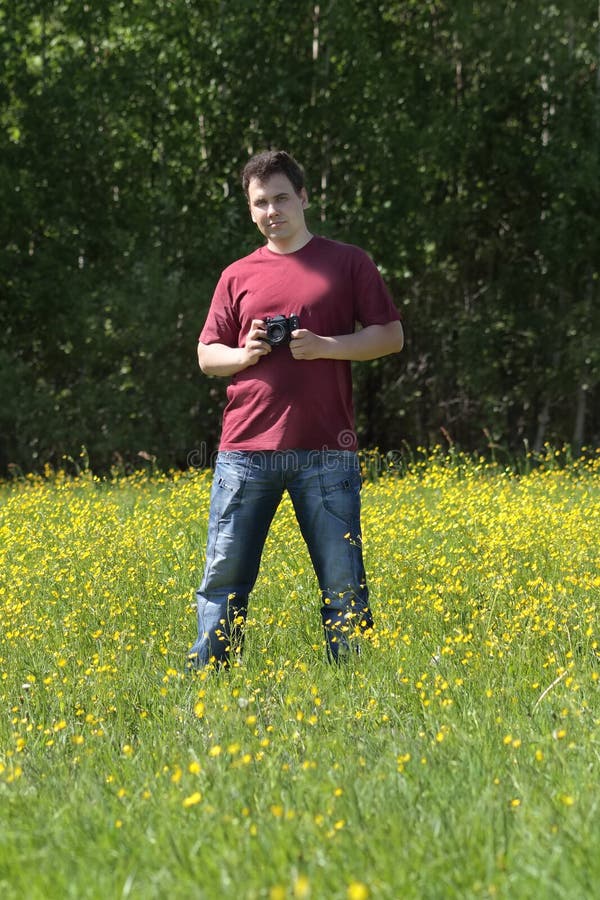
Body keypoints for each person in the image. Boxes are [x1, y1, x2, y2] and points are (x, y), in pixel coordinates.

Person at [187, 150, 403, 669]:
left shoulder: (347, 261)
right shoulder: (237, 274)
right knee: (224, 576)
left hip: (327, 448)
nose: (272, 211)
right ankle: (208, 680)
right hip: (245, 449)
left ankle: (354, 681)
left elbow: (390, 336)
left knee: (342, 577)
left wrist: (327, 345)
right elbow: (206, 354)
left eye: (281, 198)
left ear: (304, 198)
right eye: (260, 203)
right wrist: (245, 354)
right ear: (250, 210)